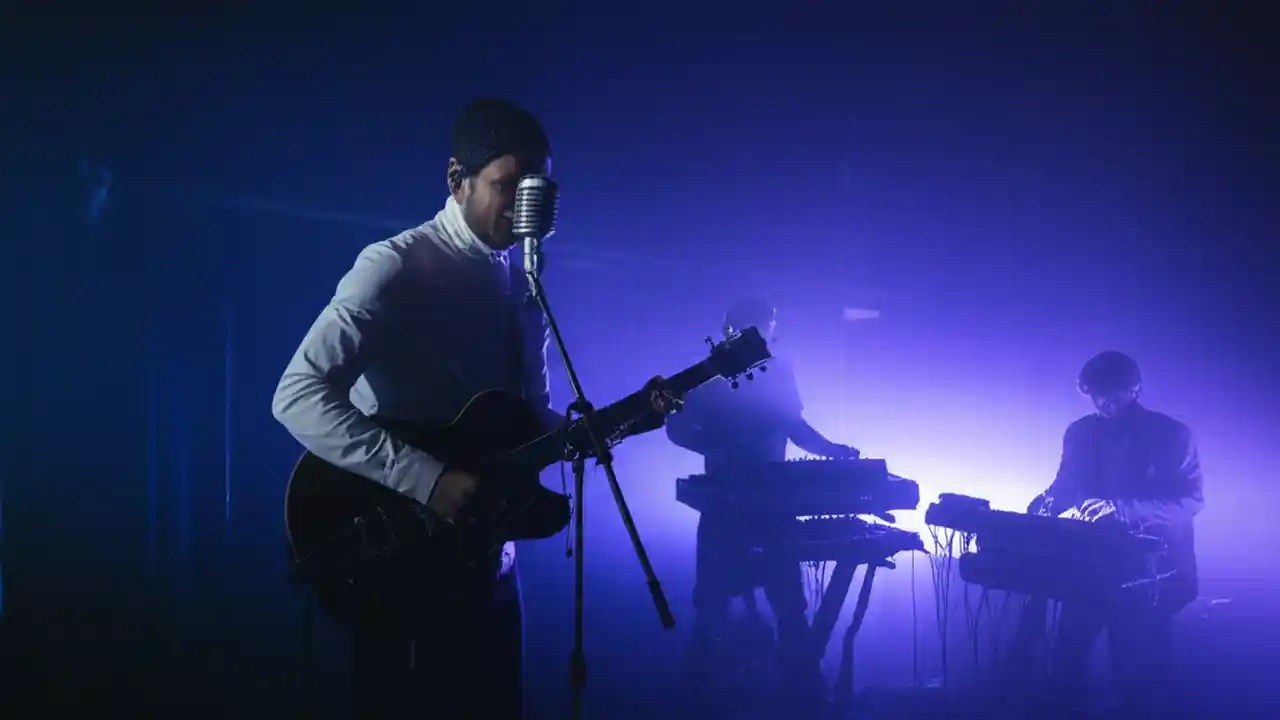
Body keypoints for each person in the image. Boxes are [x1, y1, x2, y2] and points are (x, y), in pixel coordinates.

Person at [272, 98, 661, 719]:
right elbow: (297, 394)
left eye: (537, 189)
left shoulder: (521, 281)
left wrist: (624, 420)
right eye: (508, 185)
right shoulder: (394, 266)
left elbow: (528, 419)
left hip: (487, 561)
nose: (523, 204)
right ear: (458, 180)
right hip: (399, 554)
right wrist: (429, 481)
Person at [665, 297, 857, 706]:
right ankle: (698, 697)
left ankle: (801, 696)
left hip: (769, 503)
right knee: (715, 606)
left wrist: (832, 451)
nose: (766, 334)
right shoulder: (709, 374)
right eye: (759, 326)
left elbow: (794, 426)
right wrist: (717, 446)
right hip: (727, 502)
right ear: (734, 330)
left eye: (768, 326)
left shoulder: (779, 371)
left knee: (786, 602)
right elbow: (676, 427)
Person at [1028, 350, 1204, 715]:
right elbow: (1066, 486)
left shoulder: (1171, 434)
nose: (1101, 403)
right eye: (1095, 394)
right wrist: (1043, 504)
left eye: (1109, 394)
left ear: (1134, 388)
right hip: (1089, 566)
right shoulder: (1080, 432)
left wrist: (1120, 508)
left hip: (1150, 572)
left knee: (1136, 671)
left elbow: (1189, 501)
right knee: (1069, 657)